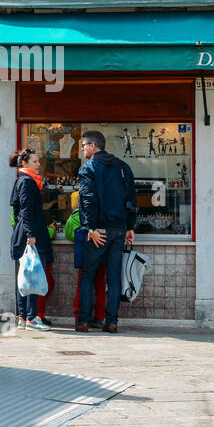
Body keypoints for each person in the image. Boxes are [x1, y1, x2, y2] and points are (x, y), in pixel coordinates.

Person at [76, 130, 136, 333]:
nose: (82, 148)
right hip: (119, 230)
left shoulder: (88, 168)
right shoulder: (123, 167)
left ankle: (83, 321)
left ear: (93, 146)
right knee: (113, 277)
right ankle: (111, 322)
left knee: (88, 275)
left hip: (98, 231)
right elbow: (131, 200)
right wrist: (129, 226)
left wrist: (90, 227)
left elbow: (87, 199)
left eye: (84, 145)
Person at [9, 148, 53, 331]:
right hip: (31, 235)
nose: (38, 164)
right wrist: (30, 235)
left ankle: (23, 317)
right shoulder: (27, 182)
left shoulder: (23, 180)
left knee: (25, 277)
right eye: (34, 161)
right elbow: (26, 210)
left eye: (38, 161)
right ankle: (32, 318)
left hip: (28, 232)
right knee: (32, 276)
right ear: (24, 163)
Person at [64, 191, 105, 327]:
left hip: (85, 256)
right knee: (100, 286)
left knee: (83, 285)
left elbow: (69, 234)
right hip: (101, 252)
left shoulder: (76, 216)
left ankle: (81, 318)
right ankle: (99, 317)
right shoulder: (102, 211)